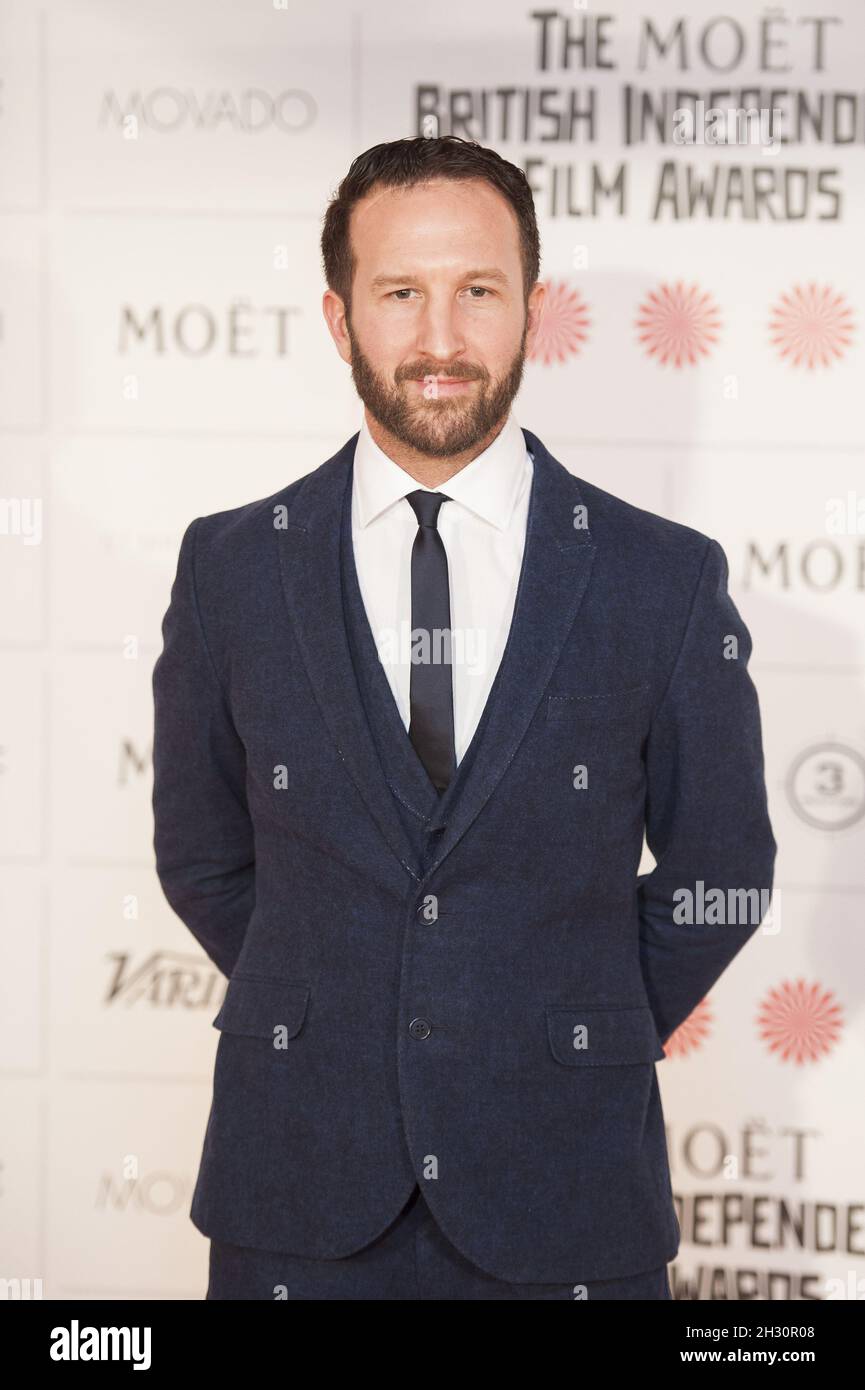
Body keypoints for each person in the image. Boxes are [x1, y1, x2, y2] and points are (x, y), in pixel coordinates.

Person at [151, 135, 776, 1301]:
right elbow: (201, 855)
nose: (440, 340)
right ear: (340, 319)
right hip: (296, 1191)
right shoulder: (231, 567)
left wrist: (558, 1017)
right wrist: (342, 999)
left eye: (477, 291)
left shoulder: (661, 578)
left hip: (568, 1195)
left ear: (532, 310)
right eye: (401, 294)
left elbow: (725, 866)